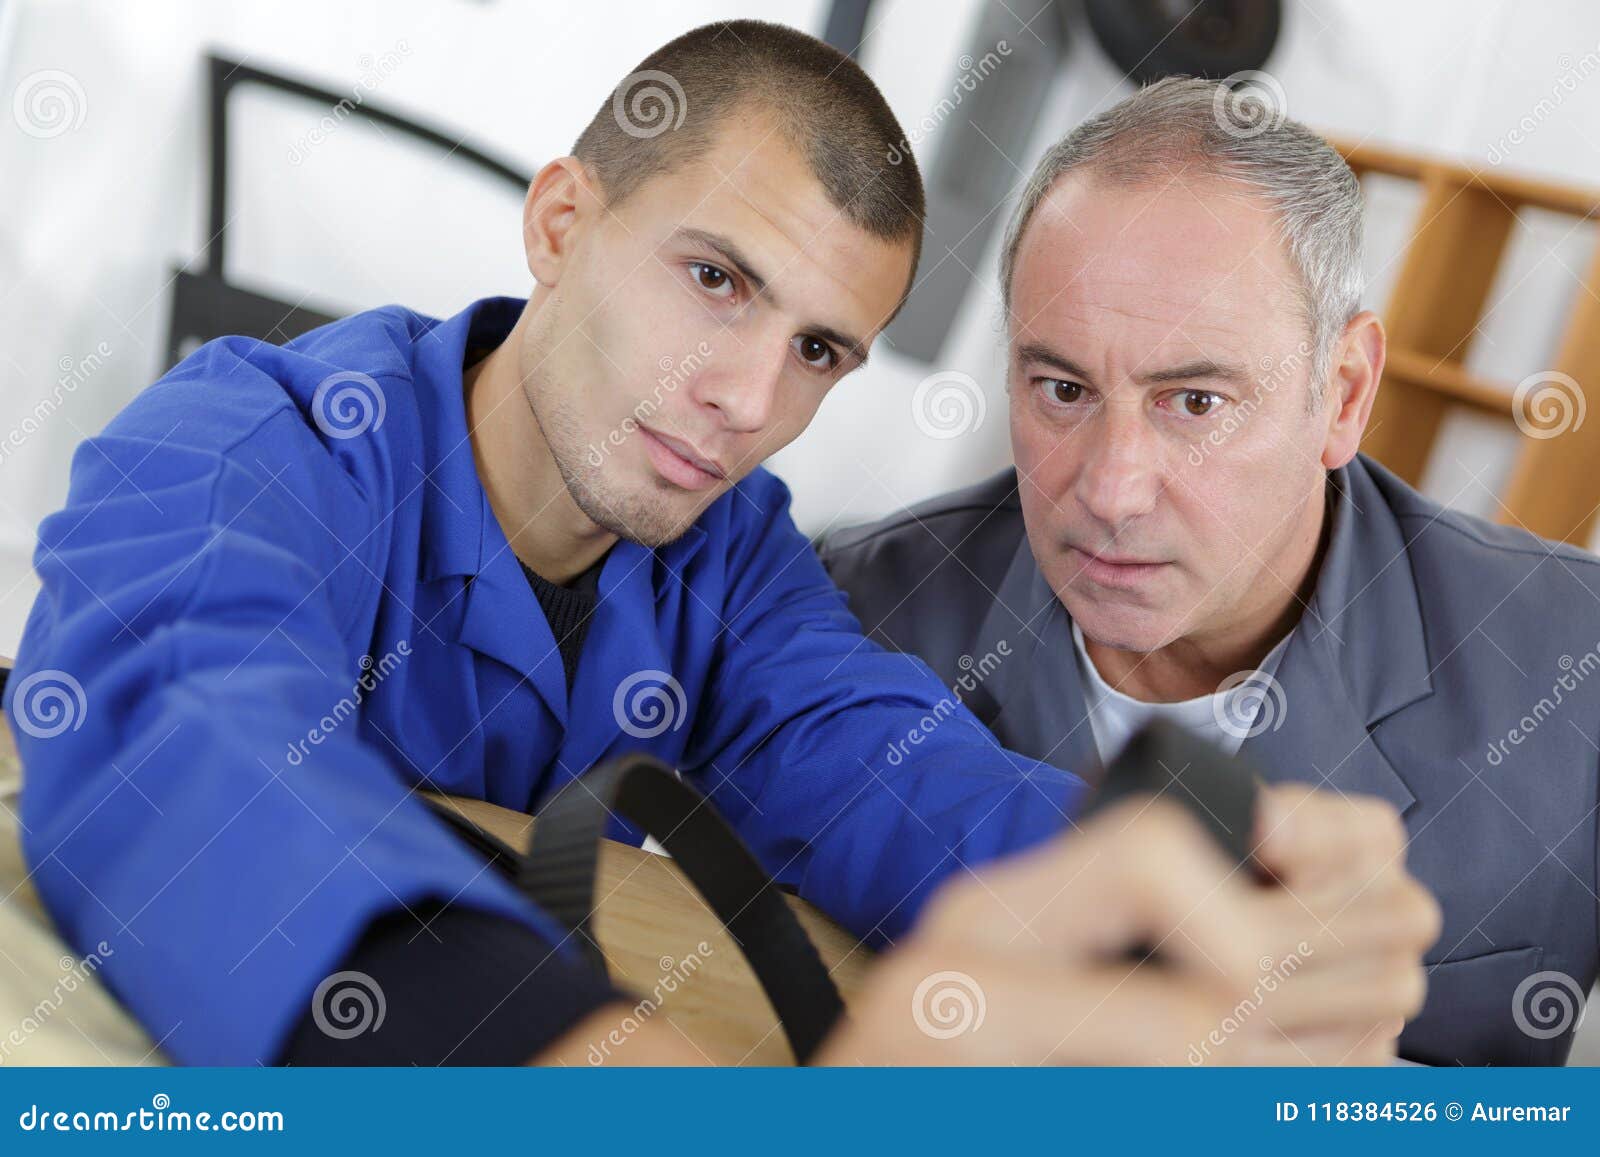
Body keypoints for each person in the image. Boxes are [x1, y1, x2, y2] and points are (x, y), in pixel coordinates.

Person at [6, 25, 1434, 1067]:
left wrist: (1174, 890)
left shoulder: (733, 559)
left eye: (819, 348)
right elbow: (186, 739)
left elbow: (889, 765)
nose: (750, 401)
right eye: (715, 280)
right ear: (563, 223)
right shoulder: (255, 443)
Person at [821, 76, 1596, 1066]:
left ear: (1342, 394)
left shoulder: (1576, 673)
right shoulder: (860, 608)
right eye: (1061, 388)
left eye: (1194, 402)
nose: (1109, 490)